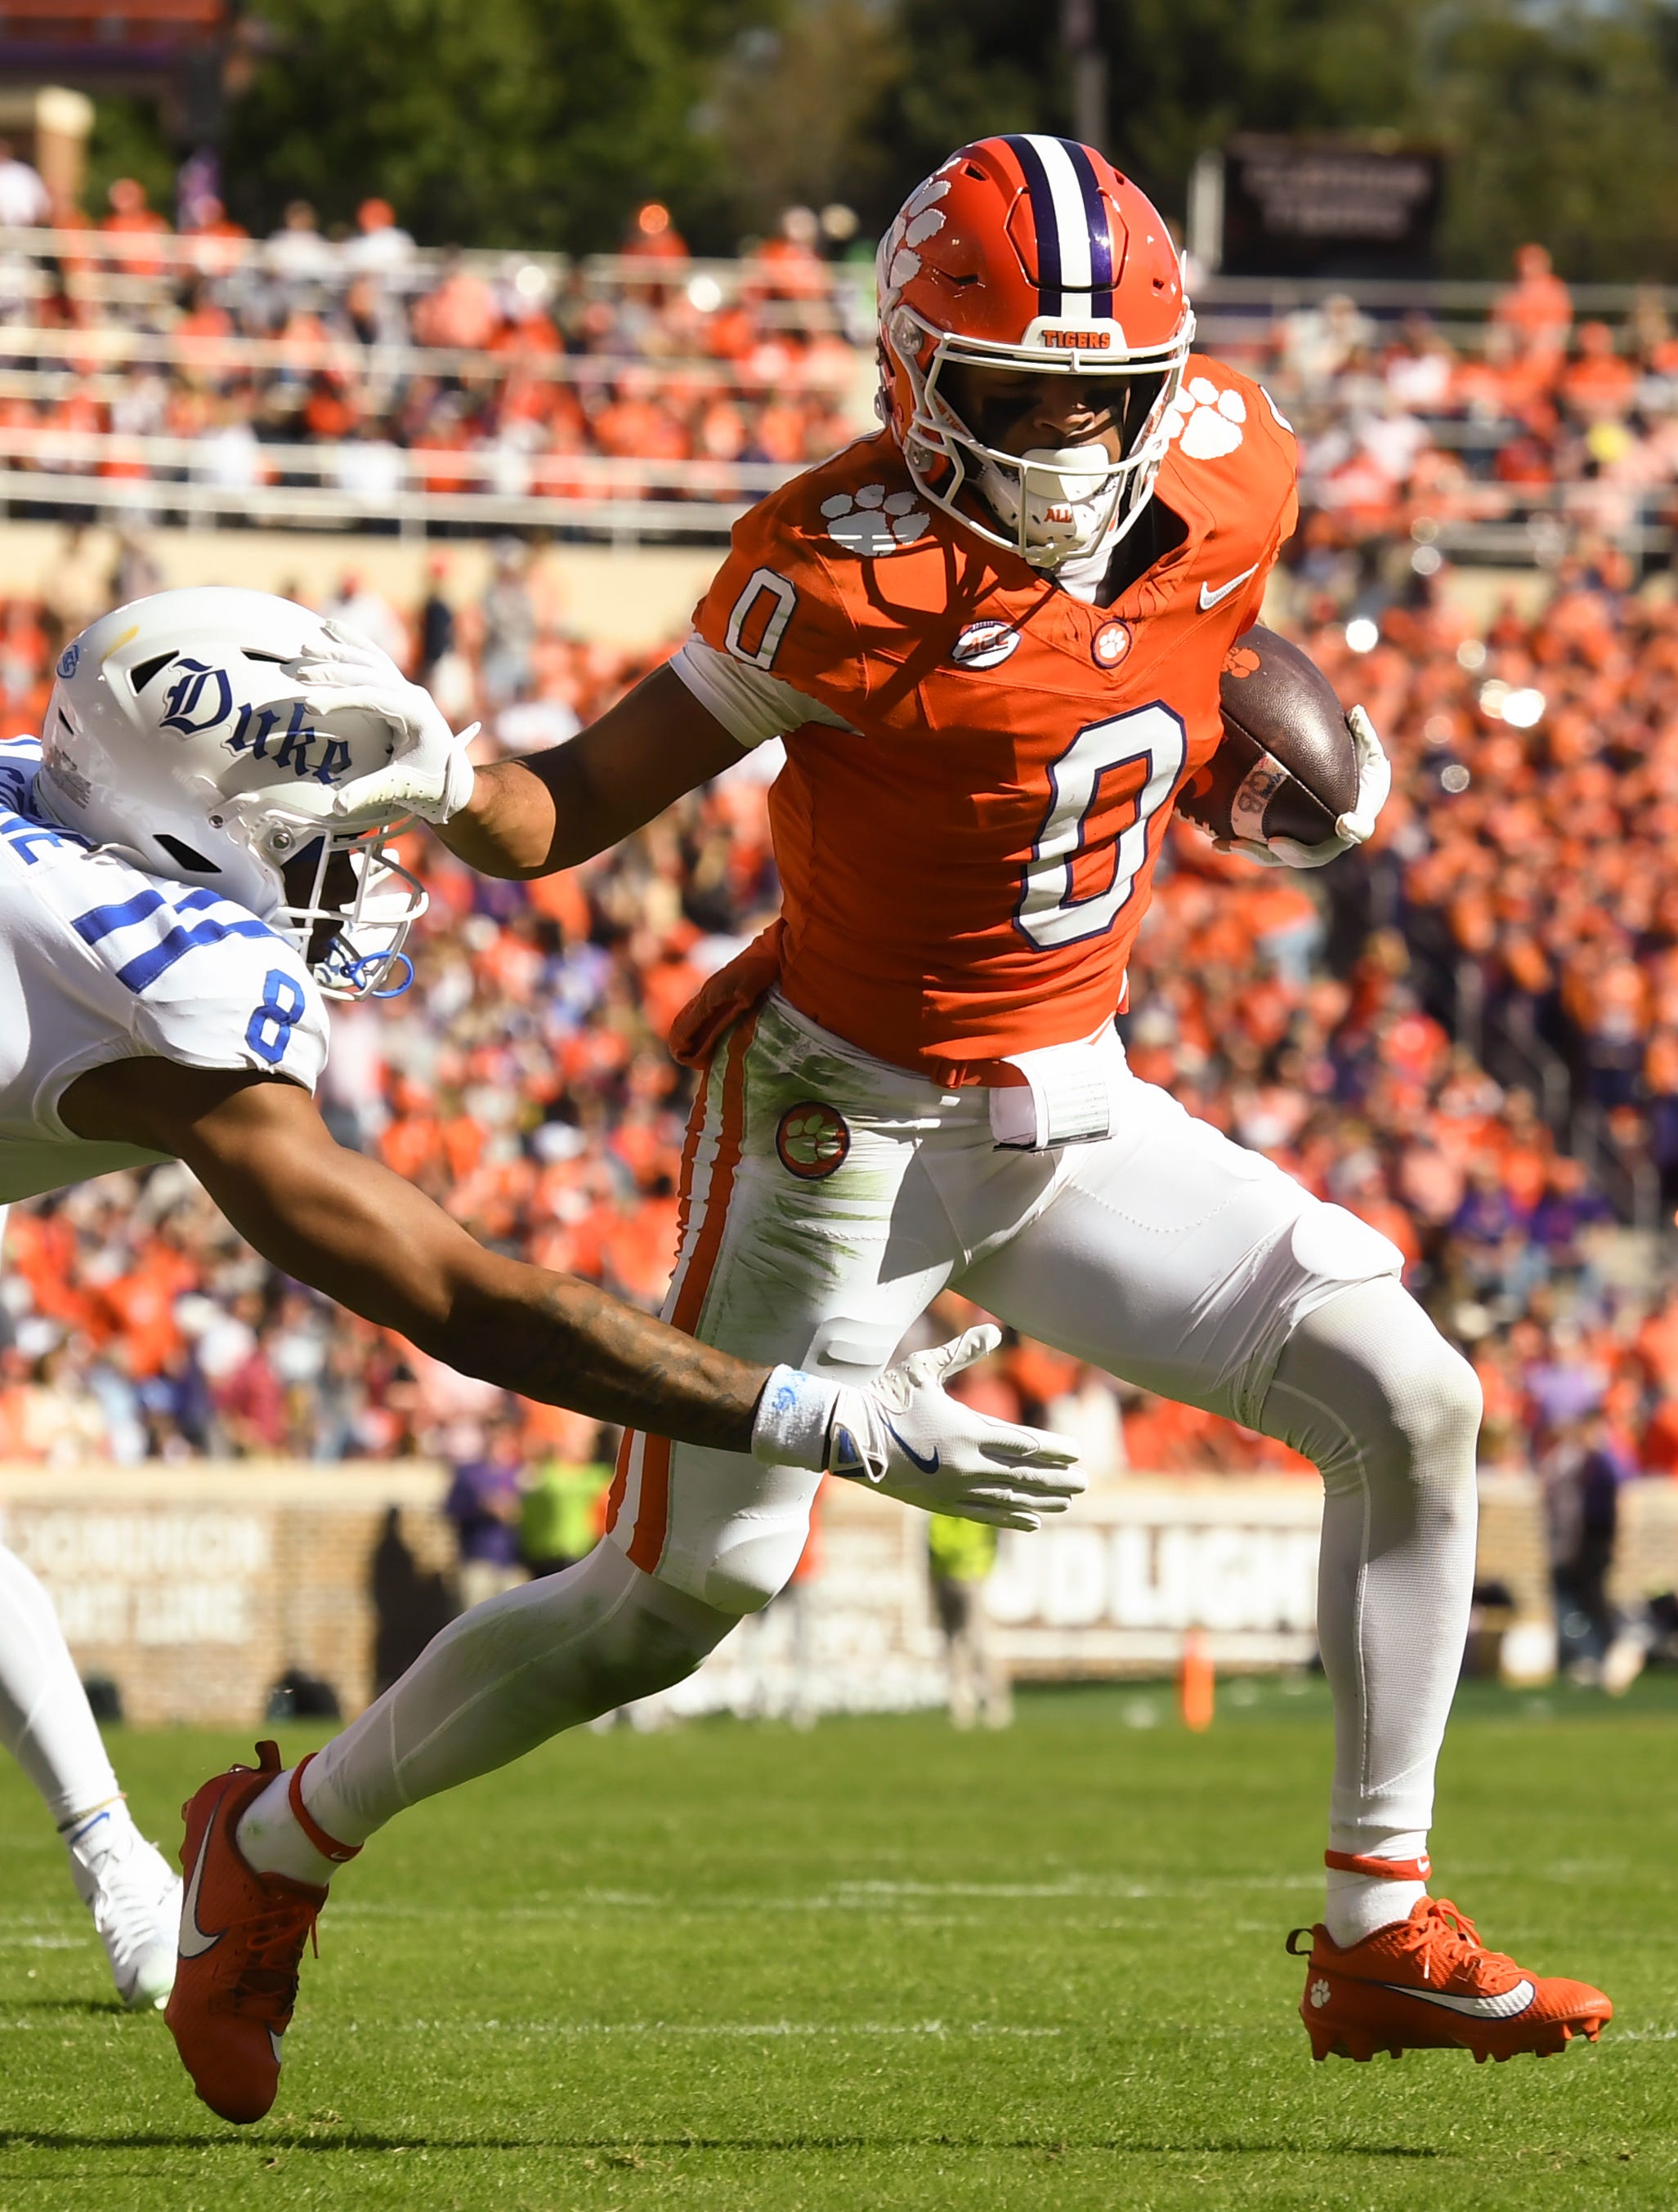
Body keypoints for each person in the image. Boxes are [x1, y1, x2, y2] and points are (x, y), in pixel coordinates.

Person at [405, 133, 1603, 2071]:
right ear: (913, 374)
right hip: (838, 1122)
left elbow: (1170, 649)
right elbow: (563, 814)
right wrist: (435, 772)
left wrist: (1231, 742)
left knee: (1415, 1397)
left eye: (1101, 394)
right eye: (1014, 393)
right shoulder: (829, 569)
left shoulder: (1235, 466)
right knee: (677, 1596)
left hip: (1072, 1098)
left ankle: (1377, 1925)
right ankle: (280, 1839)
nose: (1063, 434)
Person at [0, 585, 1078, 2094]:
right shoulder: (151, 953)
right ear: (195, 826)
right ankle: (118, 1855)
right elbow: (451, 1295)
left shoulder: (61, 789)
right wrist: (810, 1416)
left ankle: (118, 1856)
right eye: (318, 832)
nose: (357, 867)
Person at [926, 1513, 1011, 1730]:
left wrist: (984, 1565)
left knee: (979, 1638)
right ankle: (960, 1704)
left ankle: (995, 1701)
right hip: (943, 1570)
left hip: (972, 1571)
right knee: (951, 1640)